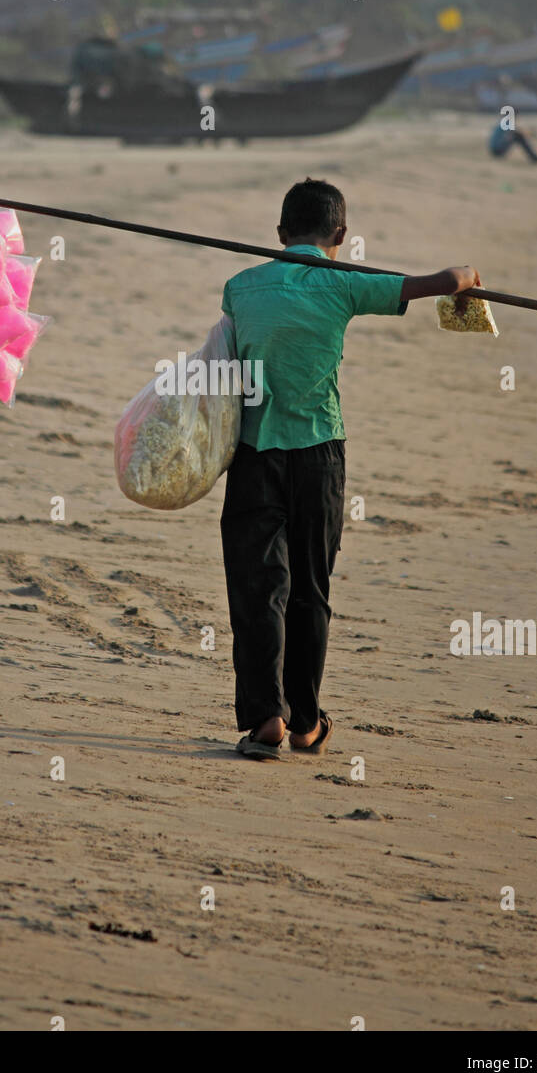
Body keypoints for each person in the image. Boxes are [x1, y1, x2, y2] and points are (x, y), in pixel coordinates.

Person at [219, 178, 481, 760]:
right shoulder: (346, 283)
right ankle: (307, 722)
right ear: (341, 236)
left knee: (259, 589)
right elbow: (436, 284)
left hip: (255, 454)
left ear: (279, 234)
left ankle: (266, 719)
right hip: (319, 455)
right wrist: (465, 276)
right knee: (311, 589)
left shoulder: (239, 286)